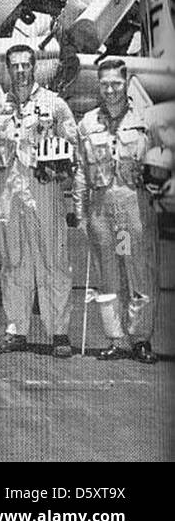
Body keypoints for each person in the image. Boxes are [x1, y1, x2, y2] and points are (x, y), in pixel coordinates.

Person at [0, 44, 79, 357]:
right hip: (10, 193)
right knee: (13, 264)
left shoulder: (55, 104)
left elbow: (73, 150)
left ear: (34, 67)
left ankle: (58, 333)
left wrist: (66, 178)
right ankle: (16, 329)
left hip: (44, 191)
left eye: (26, 65)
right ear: (8, 69)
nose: (21, 71)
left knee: (53, 262)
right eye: (15, 66)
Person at [74, 58, 157, 364]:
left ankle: (140, 339)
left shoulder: (145, 119)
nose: (110, 90)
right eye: (104, 84)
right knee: (107, 276)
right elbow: (81, 171)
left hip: (130, 208)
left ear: (126, 82)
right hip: (101, 210)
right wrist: (80, 213)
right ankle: (114, 338)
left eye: (116, 84)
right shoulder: (87, 123)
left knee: (135, 272)